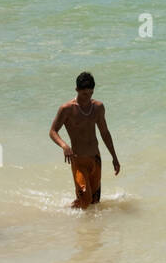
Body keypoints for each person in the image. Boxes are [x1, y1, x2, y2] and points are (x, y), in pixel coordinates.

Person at [49, 72, 120, 209]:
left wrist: (114, 157)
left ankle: (89, 229)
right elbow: (52, 131)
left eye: (90, 94)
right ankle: (68, 218)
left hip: (95, 159)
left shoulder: (98, 108)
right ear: (77, 90)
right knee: (85, 199)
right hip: (79, 160)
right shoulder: (67, 109)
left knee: (94, 202)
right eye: (84, 94)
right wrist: (64, 146)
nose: (88, 97)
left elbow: (104, 133)